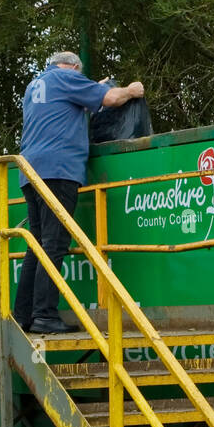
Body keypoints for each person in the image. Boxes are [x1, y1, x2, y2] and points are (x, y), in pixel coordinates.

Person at [13, 51, 145, 333]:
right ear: (73, 67)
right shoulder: (68, 78)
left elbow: (63, 109)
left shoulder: (36, 84)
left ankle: (22, 315)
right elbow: (110, 99)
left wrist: (89, 90)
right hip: (58, 170)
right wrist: (132, 90)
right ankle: (44, 316)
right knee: (53, 244)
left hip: (28, 170)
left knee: (36, 244)